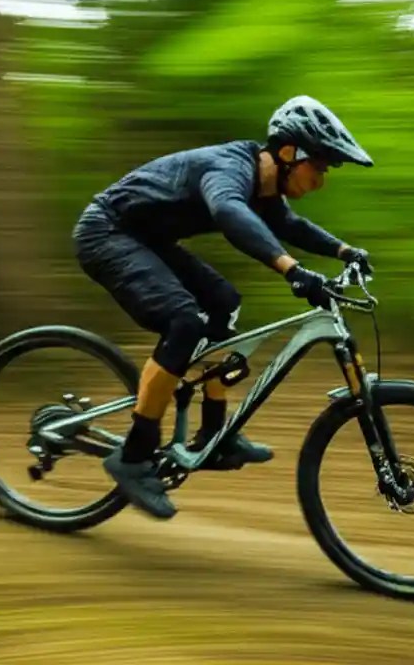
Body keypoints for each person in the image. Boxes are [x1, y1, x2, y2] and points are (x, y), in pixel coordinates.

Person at [71, 95, 375, 519]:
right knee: (183, 321)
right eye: (320, 166)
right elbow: (229, 212)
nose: (321, 179)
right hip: (107, 232)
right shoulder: (231, 168)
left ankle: (215, 432)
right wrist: (292, 270)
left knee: (223, 302)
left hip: (145, 240)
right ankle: (134, 456)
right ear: (289, 153)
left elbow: (287, 225)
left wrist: (345, 251)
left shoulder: (265, 188)